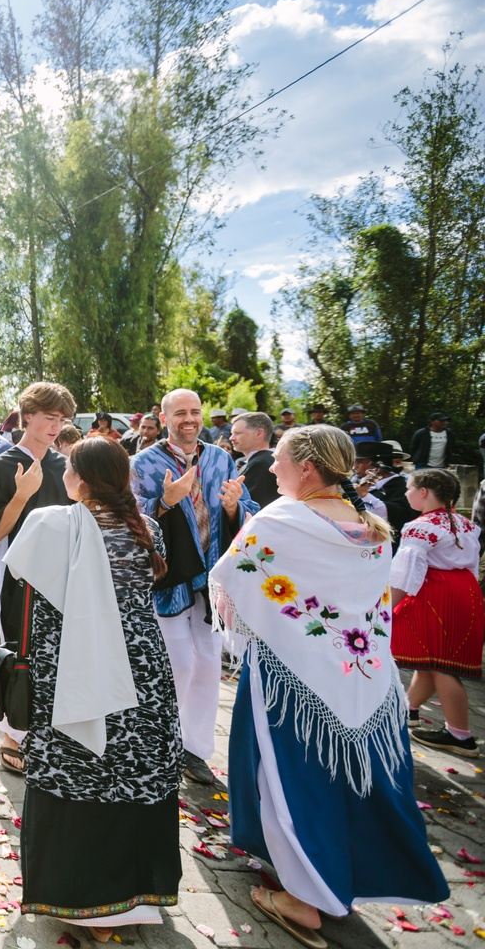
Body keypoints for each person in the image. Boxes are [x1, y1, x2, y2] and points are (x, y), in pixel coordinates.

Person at [209, 425, 448, 946]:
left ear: (308, 469)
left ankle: (304, 898)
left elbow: (232, 576)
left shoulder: (282, 519)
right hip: (365, 678)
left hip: (290, 677)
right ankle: (330, 876)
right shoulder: (371, 523)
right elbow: (363, 604)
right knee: (340, 783)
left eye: (280, 460)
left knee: (291, 779)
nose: (271, 468)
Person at [8, 437, 180, 941]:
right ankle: (133, 896)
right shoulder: (145, 528)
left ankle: (81, 897)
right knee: (134, 764)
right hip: (140, 669)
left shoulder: (53, 524)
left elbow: (19, 571)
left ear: (79, 478)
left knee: (76, 764)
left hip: (72, 666)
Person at [132, 388, 257, 786]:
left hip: (212, 574)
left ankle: (195, 750)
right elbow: (128, 517)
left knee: (206, 664)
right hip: (168, 578)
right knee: (177, 663)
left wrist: (237, 506)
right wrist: (164, 503)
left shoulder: (221, 458)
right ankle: (159, 741)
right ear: (164, 418)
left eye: (195, 412)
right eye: (180, 413)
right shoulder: (142, 463)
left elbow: (248, 510)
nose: (189, 419)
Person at [0, 382, 76, 777]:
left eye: (61, 420)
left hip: (58, 572)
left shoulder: (65, 466)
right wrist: (21, 495)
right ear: (27, 415)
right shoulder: (2, 465)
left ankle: (44, 726)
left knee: (54, 648)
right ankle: (12, 733)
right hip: (15, 572)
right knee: (19, 647)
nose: (55, 426)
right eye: (49, 417)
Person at [390, 469, 483, 755]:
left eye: (410, 488)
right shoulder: (464, 523)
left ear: (424, 492)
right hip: (465, 591)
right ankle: (409, 711)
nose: (406, 493)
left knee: (442, 666)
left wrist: (387, 607)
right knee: (430, 660)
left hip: (436, 593)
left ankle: (460, 735)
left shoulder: (420, 527)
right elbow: (470, 563)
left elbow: (405, 575)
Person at [352, 441, 416, 544]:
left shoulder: (400, 487)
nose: (354, 467)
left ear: (378, 466)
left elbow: (399, 515)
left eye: (359, 462)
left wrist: (364, 495)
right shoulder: (357, 482)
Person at [231, 412, 279, 508]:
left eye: (237, 433)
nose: (231, 438)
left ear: (259, 433)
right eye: (232, 433)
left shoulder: (260, 464)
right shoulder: (270, 460)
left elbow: (246, 506)